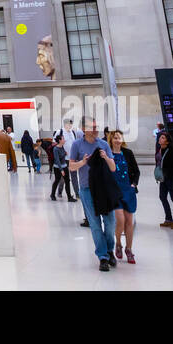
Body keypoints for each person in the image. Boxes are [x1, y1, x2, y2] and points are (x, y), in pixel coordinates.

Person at [70, 116, 120, 271]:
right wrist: (83, 162)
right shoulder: (77, 145)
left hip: (104, 189)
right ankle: (103, 256)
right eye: (92, 127)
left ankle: (110, 249)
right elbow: (71, 167)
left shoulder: (104, 144)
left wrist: (106, 157)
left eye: (96, 126)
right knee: (95, 224)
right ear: (84, 129)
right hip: (86, 189)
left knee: (110, 222)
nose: (96, 129)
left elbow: (113, 168)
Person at [108, 129, 139, 263]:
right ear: (111, 140)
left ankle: (129, 249)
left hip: (128, 190)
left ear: (122, 140)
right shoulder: (108, 154)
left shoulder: (128, 153)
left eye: (119, 137)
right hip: (114, 192)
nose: (117, 140)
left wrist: (133, 184)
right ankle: (118, 243)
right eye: (115, 138)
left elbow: (136, 171)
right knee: (120, 220)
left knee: (129, 222)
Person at [155, 130, 173, 229]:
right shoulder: (159, 149)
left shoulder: (172, 151)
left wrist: (170, 175)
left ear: (167, 141)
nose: (160, 139)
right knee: (162, 197)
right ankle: (168, 218)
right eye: (160, 137)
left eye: (163, 138)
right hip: (163, 178)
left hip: (170, 178)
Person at [50, 134, 75, 201]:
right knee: (57, 180)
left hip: (64, 166)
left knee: (67, 181)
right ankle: (52, 195)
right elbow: (57, 160)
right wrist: (61, 170)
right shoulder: (55, 149)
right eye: (63, 139)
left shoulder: (62, 147)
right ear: (59, 140)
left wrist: (64, 154)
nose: (64, 140)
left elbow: (63, 155)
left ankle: (69, 197)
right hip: (58, 168)